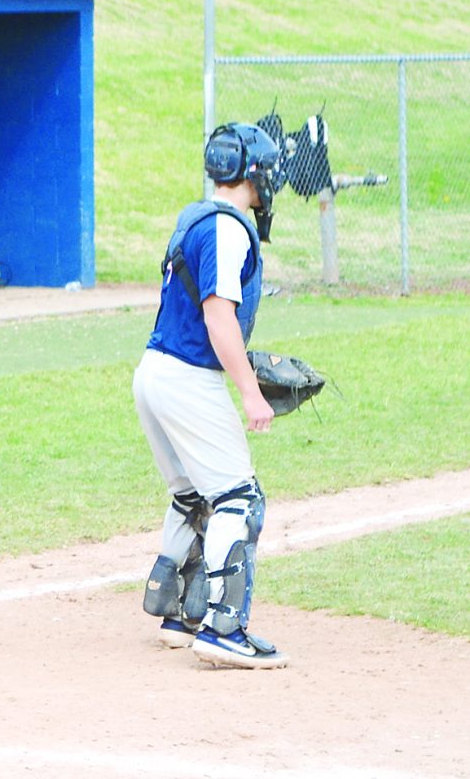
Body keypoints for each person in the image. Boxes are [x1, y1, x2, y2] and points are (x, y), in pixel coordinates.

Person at [132, 122, 289, 670]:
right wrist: (250, 392)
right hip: (187, 379)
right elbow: (218, 314)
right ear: (251, 176)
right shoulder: (229, 230)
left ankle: (179, 613)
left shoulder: (194, 217)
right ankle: (224, 627)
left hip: (154, 371)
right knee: (238, 499)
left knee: (193, 494)